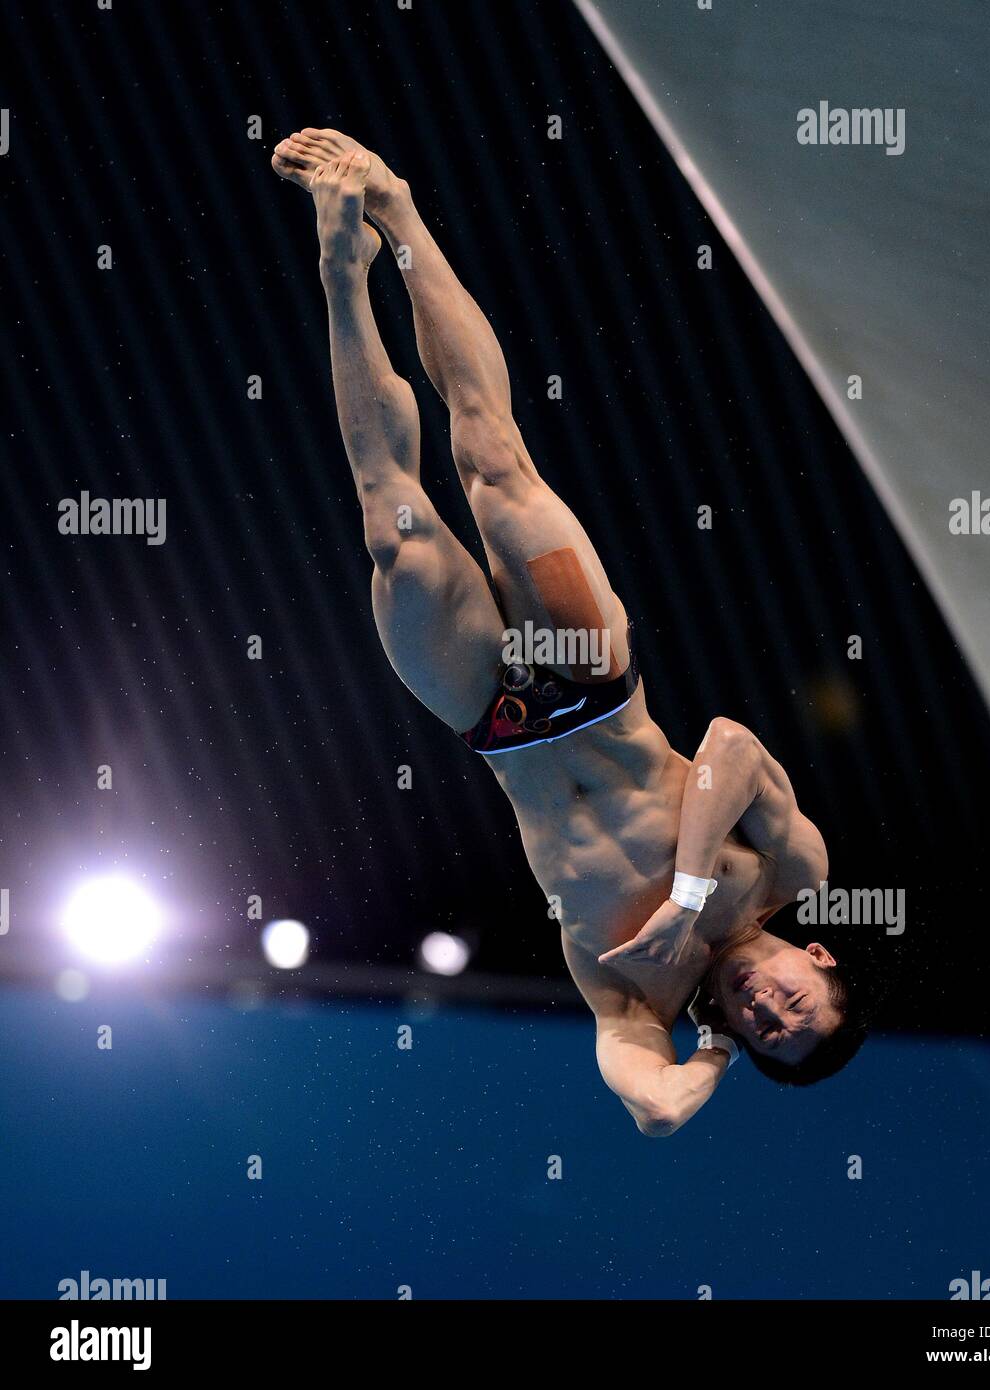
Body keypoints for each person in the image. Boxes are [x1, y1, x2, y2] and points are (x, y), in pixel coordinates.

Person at [272, 128, 866, 1135]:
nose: (768, 1010)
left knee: (394, 528)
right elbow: (729, 743)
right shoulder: (791, 873)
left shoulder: (636, 1002)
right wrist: (685, 894)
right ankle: (398, 205)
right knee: (493, 453)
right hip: (591, 675)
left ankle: (341, 274)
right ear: (818, 956)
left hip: (494, 723)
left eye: (767, 1032)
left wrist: (710, 1047)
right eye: (793, 1005)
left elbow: (658, 1110)